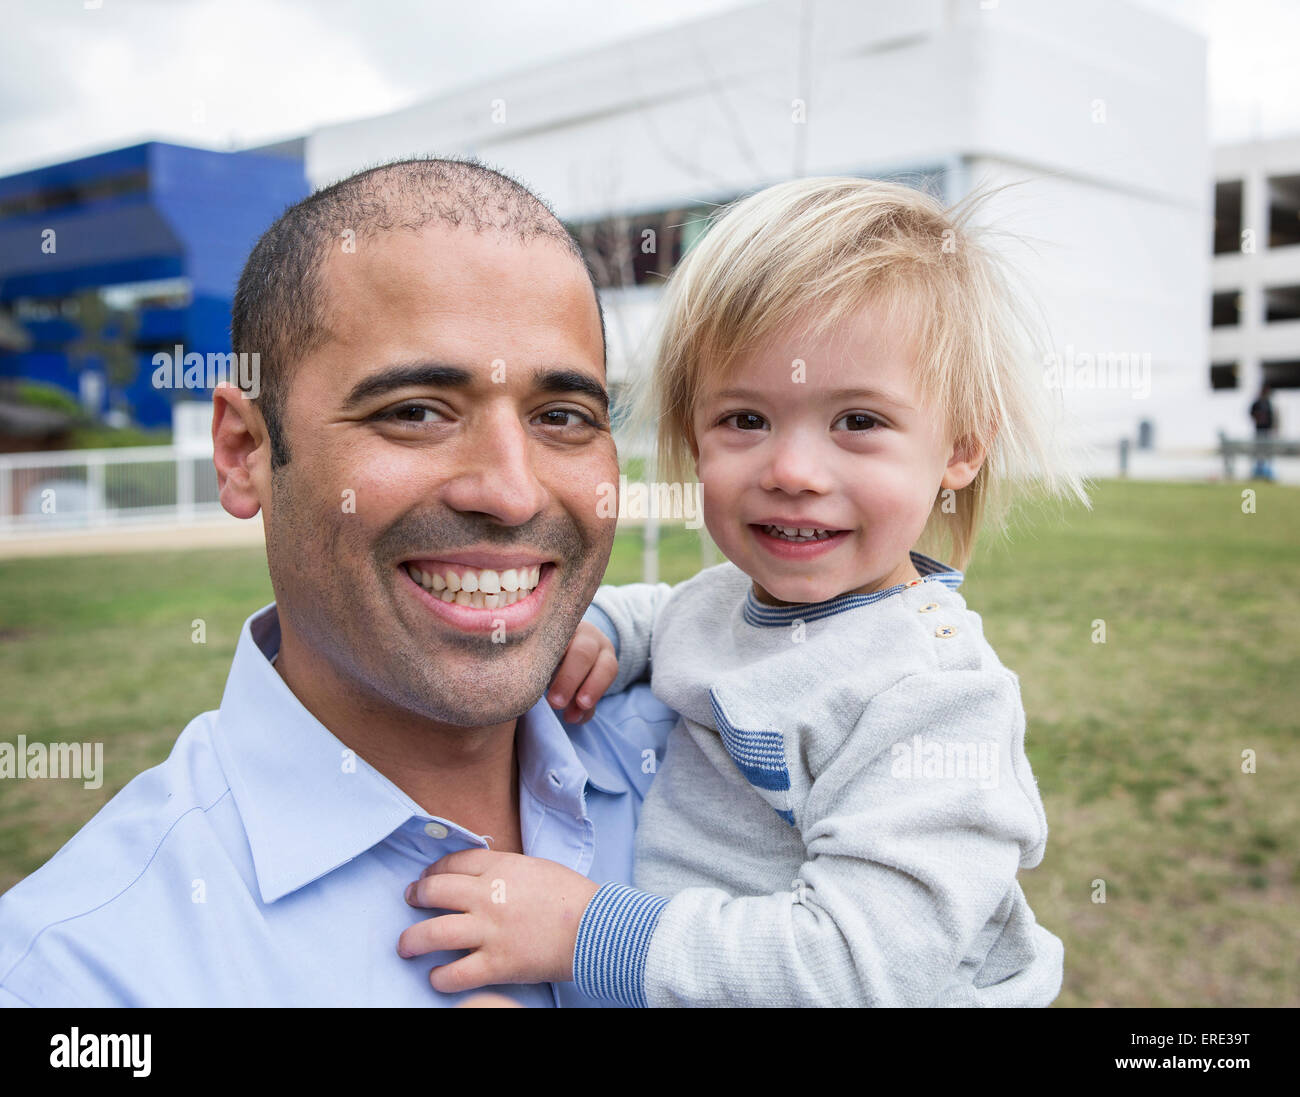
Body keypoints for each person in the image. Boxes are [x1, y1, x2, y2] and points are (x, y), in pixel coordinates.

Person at [0, 158, 678, 1007]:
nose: (511, 491)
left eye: (562, 417)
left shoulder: (739, 765)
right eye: (416, 411)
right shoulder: (78, 976)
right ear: (245, 451)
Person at [397, 177, 1087, 1006]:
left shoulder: (935, 698)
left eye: (858, 422)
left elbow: (858, 968)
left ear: (960, 451)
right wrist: (607, 625)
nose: (792, 472)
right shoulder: (733, 597)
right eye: (746, 420)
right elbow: (680, 612)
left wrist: (582, 931)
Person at [1249, 382, 1277, 480]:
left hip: (1267, 431)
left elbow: (1272, 417)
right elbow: (1251, 413)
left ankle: (1268, 472)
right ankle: (1258, 471)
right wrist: (1258, 418)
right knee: (1259, 451)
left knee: (1268, 451)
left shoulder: (1268, 403)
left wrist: (1274, 427)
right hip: (1259, 431)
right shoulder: (1257, 403)